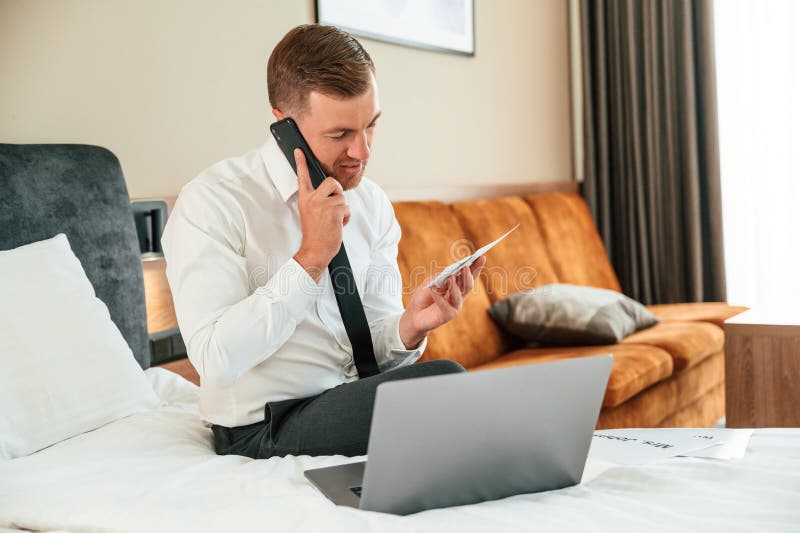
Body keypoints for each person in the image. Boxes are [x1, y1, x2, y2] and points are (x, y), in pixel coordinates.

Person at [161, 24, 485, 459]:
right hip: (262, 425)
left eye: (371, 126)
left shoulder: (370, 203)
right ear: (284, 125)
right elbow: (214, 361)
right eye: (340, 135)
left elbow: (372, 347)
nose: (363, 151)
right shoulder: (214, 202)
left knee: (460, 395)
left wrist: (409, 328)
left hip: (344, 402)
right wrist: (310, 258)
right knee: (446, 384)